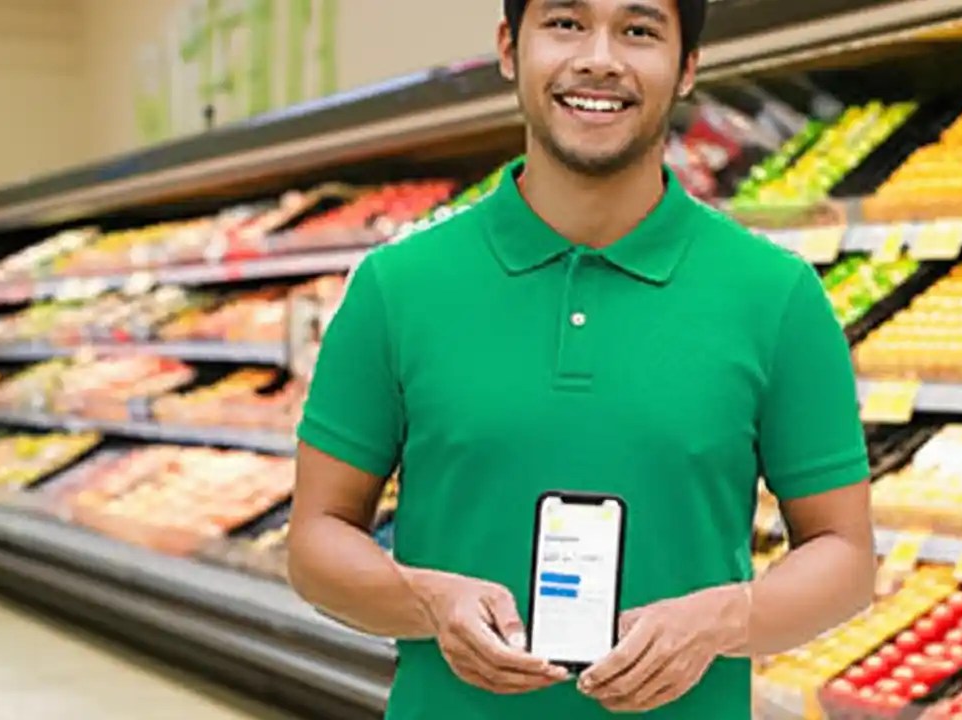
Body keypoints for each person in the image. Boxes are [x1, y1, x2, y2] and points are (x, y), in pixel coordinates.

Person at [287, 0, 875, 717]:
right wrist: (428, 602)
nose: (600, 58)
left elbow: (844, 556)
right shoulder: (396, 287)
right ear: (509, 47)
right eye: (565, 23)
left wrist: (722, 619)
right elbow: (316, 539)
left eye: (639, 30)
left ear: (687, 65)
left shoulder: (777, 296)